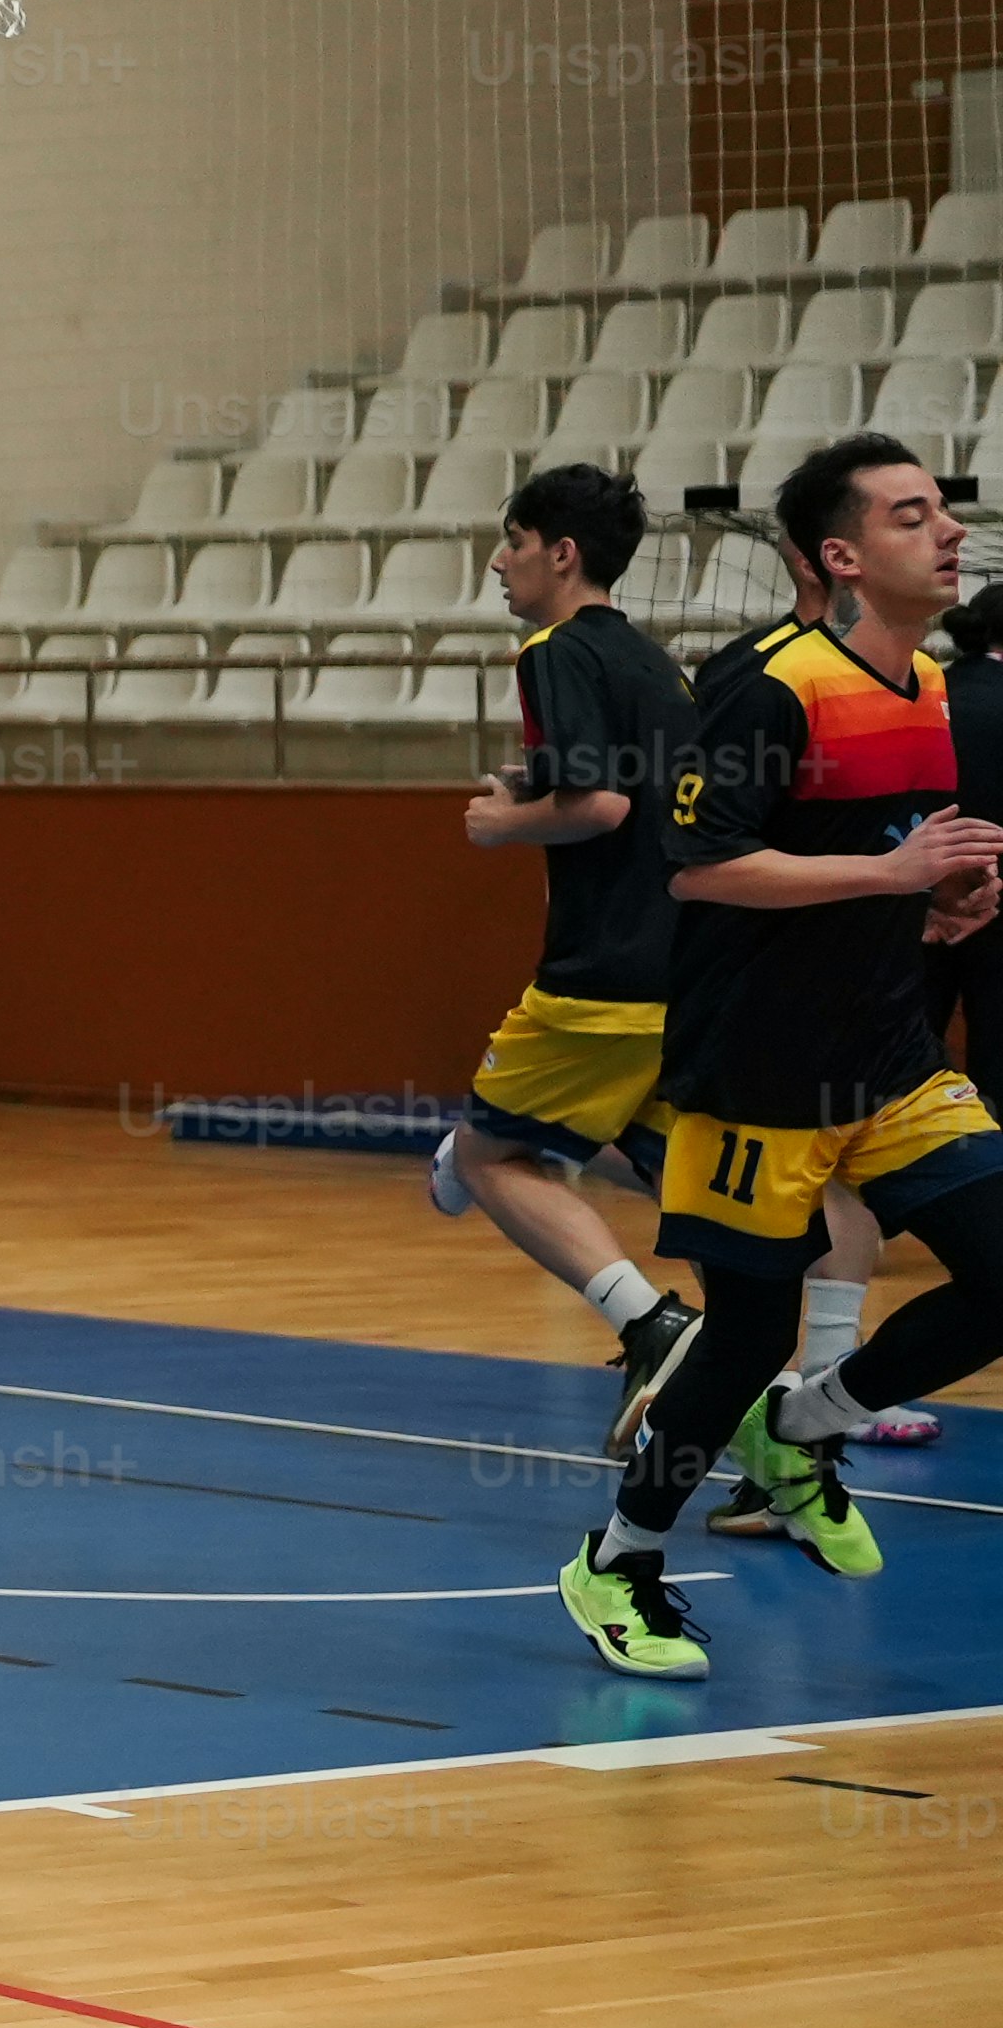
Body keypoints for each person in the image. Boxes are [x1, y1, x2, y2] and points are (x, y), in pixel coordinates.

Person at [557, 431, 1003, 1674]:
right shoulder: (775, 685)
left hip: (891, 1054)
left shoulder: (923, 685)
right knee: (742, 1335)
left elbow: (883, 856)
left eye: (946, 510)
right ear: (844, 557)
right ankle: (618, 1564)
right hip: (759, 1072)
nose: (951, 530)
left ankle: (806, 1428)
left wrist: (940, 900)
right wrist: (894, 871)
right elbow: (702, 868)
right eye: (914, 516)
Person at [422, 464, 709, 1401]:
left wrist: (503, 823)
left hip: (606, 974)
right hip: (690, 963)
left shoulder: (553, 650)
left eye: (513, 543)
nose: (500, 564)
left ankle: (650, 1324)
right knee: (696, 1192)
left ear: (562, 553)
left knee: (485, 1156)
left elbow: (605, 806)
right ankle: (767, 1407)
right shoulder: (652, 661)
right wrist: (533, 788)